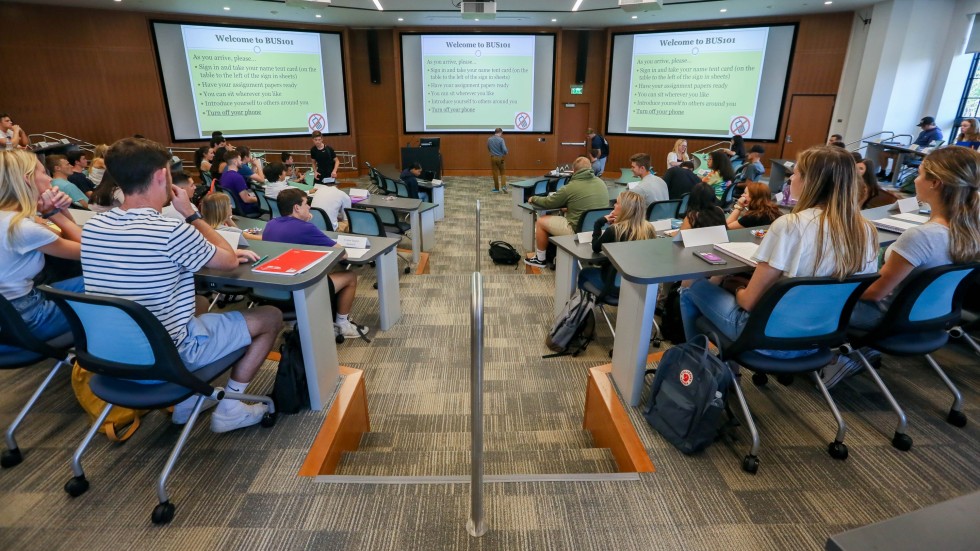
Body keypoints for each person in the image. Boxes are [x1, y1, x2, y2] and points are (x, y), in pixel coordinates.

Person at [80, 138, 283, 432]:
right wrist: (191, 213)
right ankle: (231, 408)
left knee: (199, 304)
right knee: (269, 316)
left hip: (110, 355)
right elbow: (226, 259)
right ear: (162, 176)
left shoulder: (95, 226)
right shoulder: (171, 229)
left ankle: (187, 402)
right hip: (166, 357)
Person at [679, 146, 878, 350]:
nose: (791, 179)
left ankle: (696, 364)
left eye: (796, 173)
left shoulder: (790, 225)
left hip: (768, 336)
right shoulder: (866, 230)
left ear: (812, 182)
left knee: (689, 289)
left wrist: (735, 287)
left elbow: (748, 302)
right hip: (824, 334)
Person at [824, 146, 980, 387]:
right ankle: (859, 351)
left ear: (935, 183)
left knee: (816, 292)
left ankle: (837, 357)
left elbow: (875, 292)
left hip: (883, 319)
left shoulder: (921, 237)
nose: (915, 180)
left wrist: (835, 279)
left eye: (919, 174)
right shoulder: (970, 231)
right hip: (931, 316)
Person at [0, 149, 84, 354]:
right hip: (28, 319)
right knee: (114, 287)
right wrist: (54, 212)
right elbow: (89, 251)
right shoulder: (21, 227)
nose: (49, 179)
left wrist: (59, 211)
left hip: (9, 317)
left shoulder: (10, 218)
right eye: (43, 173)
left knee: (97, 280)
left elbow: (66, 238)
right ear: (27, 180)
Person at [263, 187, 369, 338]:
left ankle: (294, 322)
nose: (309, 207)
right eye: (306, 204)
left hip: (274, 289)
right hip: (299, 288)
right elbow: (342, 254)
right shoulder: (304, 228)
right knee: (350, 276)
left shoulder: (270, 225)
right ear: (297, 208)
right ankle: (343, 324)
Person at [524, 156, 609, 269]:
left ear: (574, 171)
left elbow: (548, 203)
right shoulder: (601, 183)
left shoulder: (570, 187)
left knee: (541, 221)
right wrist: (571, 207)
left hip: (577, 230)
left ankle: (540, 259)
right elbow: (589, 205)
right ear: (590, 168)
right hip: (599, 230)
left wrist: (533, 198)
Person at [578, 191, 656, 298]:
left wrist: (598, 224)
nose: (614, 205)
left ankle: (587, 306)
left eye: (617, 203)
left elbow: (596, 248)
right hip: (639, 283)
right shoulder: (649, 228)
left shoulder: (615, 230)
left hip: (613, 286)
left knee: (584, 273)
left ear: (625, 208)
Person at [878, 116, 943, 179]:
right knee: (883, 153)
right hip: (911, 151)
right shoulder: (923, 132)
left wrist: (914, 148)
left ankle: (892, 175)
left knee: (898, 156)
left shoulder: (936, 133)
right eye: (921, 126)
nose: (922, 127)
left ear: (931, 124)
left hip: (918, 155)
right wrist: (906, 146)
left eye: (923, 126)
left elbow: (930, 148)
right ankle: (882, 172)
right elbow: (915, 144)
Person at [310, 166, 352, 231]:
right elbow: (346, 219)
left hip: (313, 227)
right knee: (349, 224)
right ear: (337, 185)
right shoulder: (344, 195)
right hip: (330, 228)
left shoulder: (318, 191)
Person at [219, 150, 260, 216]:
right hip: (245, 208)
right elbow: (246, 199)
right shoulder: (237, 177)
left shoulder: (224, 175)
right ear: (235, 162)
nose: (241, 162)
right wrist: (260, 199)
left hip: (234, 208)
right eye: (240, 160)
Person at [487, 127, 508, 193]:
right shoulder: (501, 140)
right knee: (503, 172)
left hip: (493, 157)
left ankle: (496, 189)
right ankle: (503, 186)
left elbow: (488, 148)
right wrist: (506, 152)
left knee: (495, 173)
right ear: (500, 132)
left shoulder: (489, 139)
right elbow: (504, 150)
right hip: (500, 158)